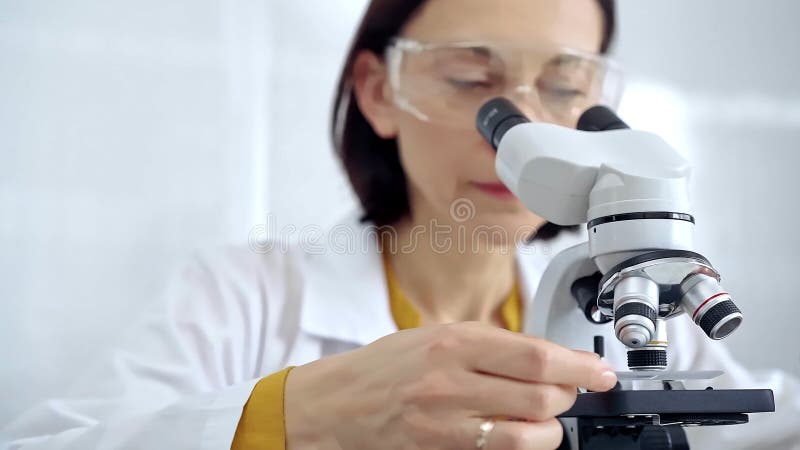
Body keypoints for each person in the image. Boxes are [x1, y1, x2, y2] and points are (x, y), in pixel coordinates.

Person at [3, 0, 799, 449]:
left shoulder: (622, 290)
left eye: (566, 89)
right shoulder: (243, 295)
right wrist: (297, 416)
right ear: (379, 93)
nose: (526, 131)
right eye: (472, 81)